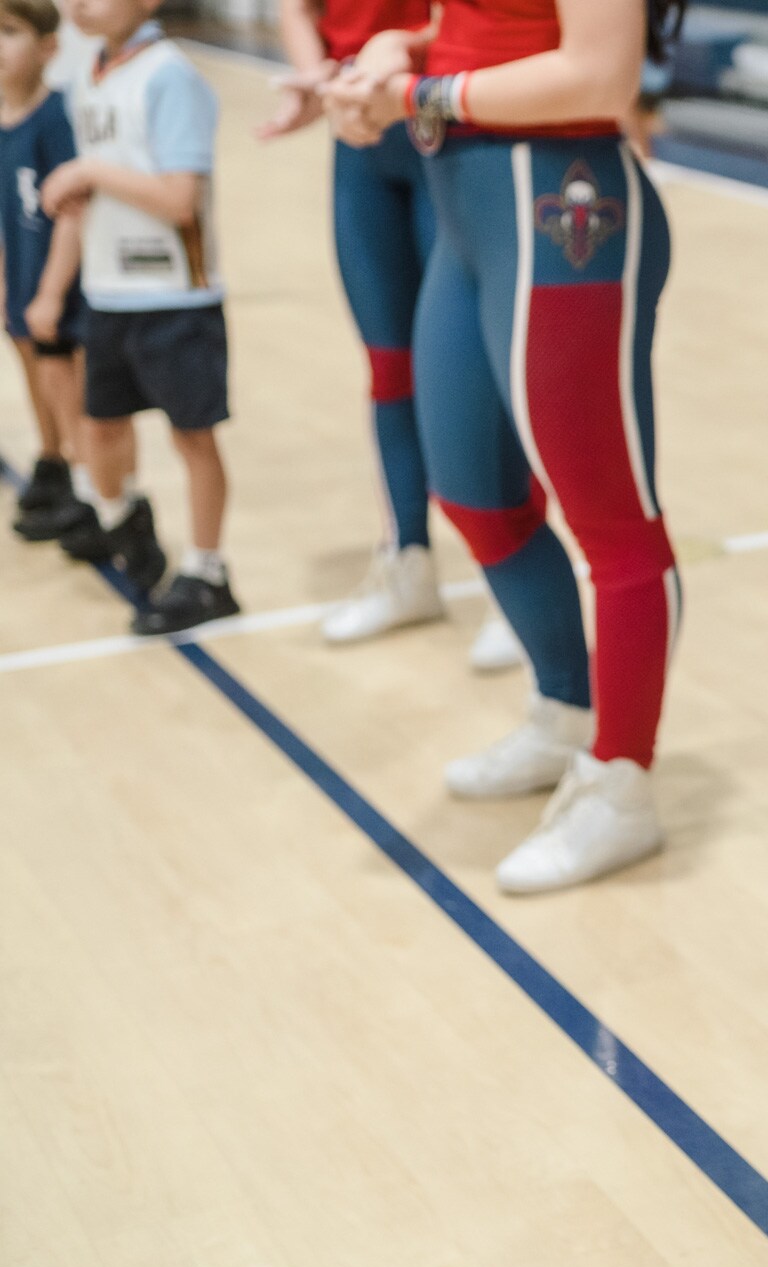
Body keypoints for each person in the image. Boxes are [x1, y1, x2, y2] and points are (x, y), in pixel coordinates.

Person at [318, 0, 686, 893]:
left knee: (616, 525)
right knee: (473, 491)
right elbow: (471, 25)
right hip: (470, 206)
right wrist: (388, 50)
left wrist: (413, 91)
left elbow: (600, 76)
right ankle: (566, 709)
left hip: (563, 208)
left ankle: (622, 784)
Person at [43, 0, 235, 634]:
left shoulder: (169, 74)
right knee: (99, 429)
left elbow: (181, 199)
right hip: (108, 293)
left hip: (175, 296)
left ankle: (209, 572)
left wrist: (90, 169)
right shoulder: (89, 77)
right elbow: (82, 203)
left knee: (192, 438)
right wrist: (52, 288)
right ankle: (123, 521)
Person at [259, 0, 444, 645]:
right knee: (389, 367)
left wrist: (389, 55)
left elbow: (491, 22)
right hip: (360, 136)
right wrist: (320, 77)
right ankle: (408, 564)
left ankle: (521, 581)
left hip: (442, 120)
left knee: (473, 364)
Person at [0, 0, 87, 544]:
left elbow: (75, 211)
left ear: (49, 47)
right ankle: (52, 457)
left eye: (9, 33)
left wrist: (51, 290)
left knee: (62, 377)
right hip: (21, 279)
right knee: (29, 366)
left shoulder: (57, 117)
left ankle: (84, 481)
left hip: (56, 282)